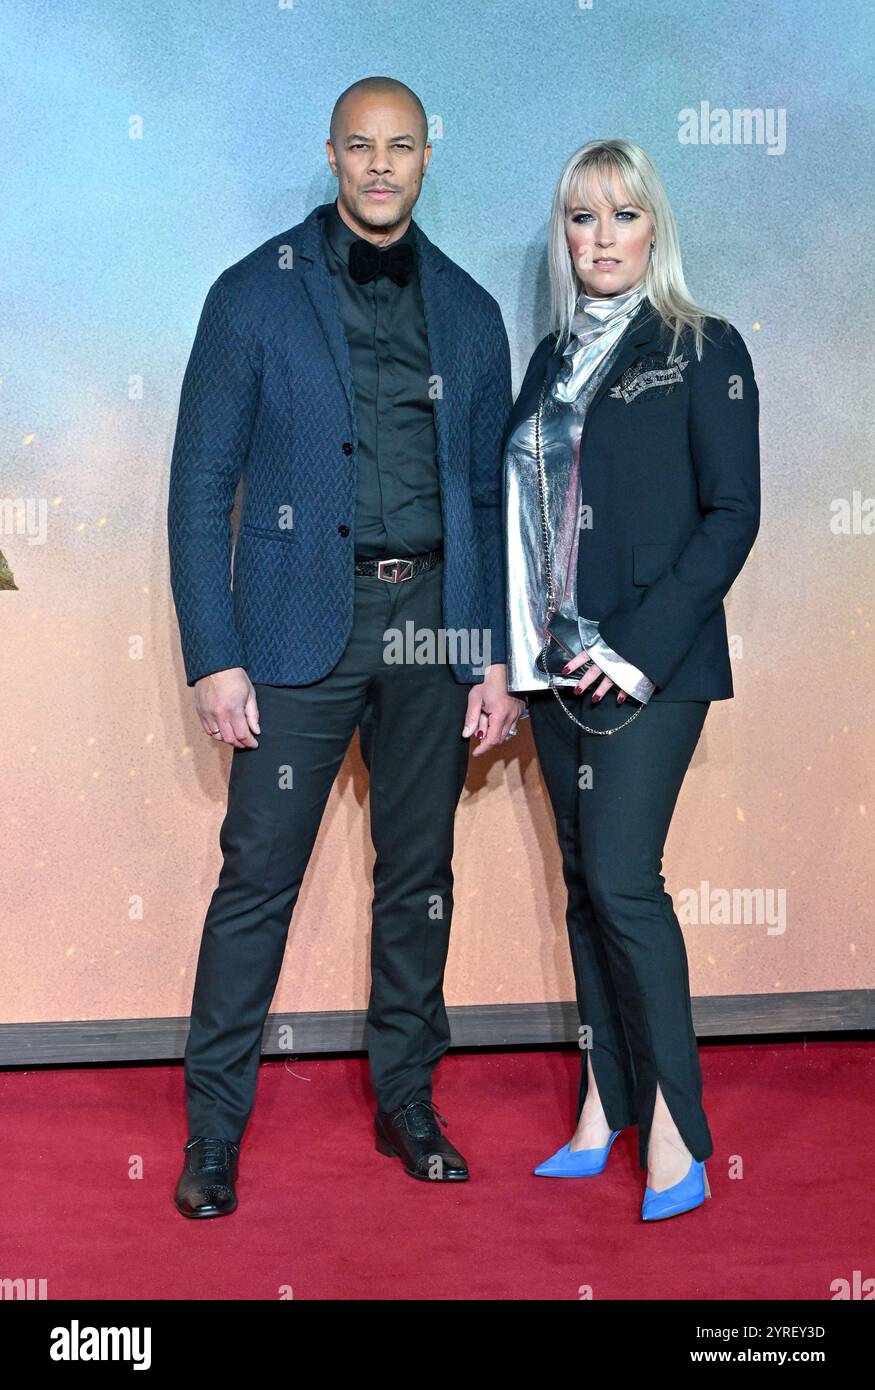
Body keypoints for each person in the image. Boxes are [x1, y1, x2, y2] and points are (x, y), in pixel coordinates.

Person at [168, 75, 524, 1217]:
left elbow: (482, 498)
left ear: (427, 158)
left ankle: (407, 1101)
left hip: (432, 622)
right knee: (255, 880)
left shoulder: (470, 314)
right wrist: (214, 652)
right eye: (361, 146)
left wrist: (486, 653)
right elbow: (198, 488)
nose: (380, 165)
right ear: (331, 154)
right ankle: (213, 1134)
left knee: (417, 878)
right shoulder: (250, 295)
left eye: (401, 146)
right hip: (288, 630)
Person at [502, 138, 760, 1221]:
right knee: (581, 888)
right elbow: (522, 514)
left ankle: (678, 1132)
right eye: (578, 218)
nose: (599, 238)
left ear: (653, 227)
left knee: (622, 882)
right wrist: (510, 658)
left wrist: (634, 648)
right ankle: (601, 1103)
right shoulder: (550, 358)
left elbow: (730, 515)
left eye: (620, 216)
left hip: (647, 671)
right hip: (553, 673)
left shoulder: (703, 347)